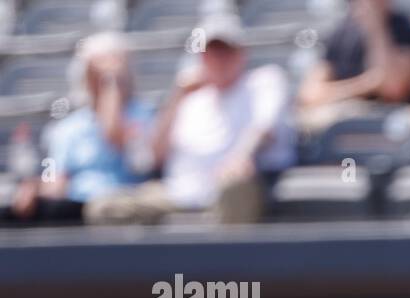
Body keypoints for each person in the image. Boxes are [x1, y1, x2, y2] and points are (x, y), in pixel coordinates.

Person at [85, 15, 295, 225]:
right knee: (104, 207)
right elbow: (151, 158)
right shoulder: (190, 100)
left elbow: (265, 128)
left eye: (226, 51)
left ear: (242, 53)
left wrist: (242, 157)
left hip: (237, 189)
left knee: (233, 188)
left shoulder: (264, 81)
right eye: (211, 52)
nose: (218, 59)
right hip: (181, 192)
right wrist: (178, 95)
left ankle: (225, 257)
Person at [2, 33, 152, 226]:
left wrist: (111, 88)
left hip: (122, 205)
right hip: (75, 207)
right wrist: (33, 190)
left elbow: (119, 141)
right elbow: (56, 182)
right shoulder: (69, 127)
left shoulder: (144, 115)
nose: (102, 80)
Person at [297, 0, 410, 129]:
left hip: (388, 127)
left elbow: (393, 87)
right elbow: (309, 95)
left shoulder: (404, 28)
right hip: (346, 126)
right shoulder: (341, 33)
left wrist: (376, 27)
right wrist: (366, 85)